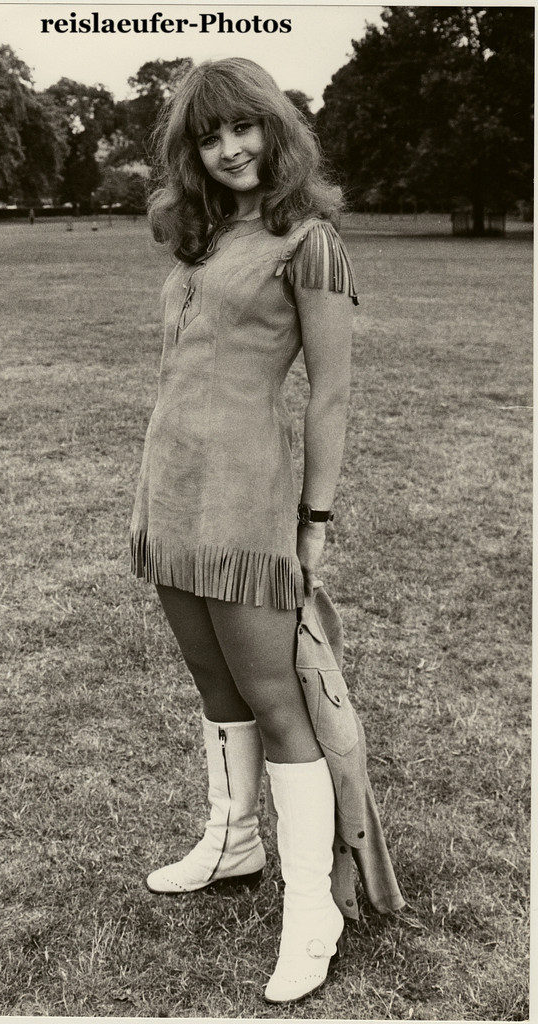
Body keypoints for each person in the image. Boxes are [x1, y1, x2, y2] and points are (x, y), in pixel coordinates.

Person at [130, 58, 358, 1004]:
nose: (230, 148)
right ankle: (232, 842)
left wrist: (314, 520)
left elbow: (332, 396)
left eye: (245, 128)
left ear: (277, 131)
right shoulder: (204, 236)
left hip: (247, 496)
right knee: (214, 683)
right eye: (210, 135)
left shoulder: (311, 241)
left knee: (276, 699)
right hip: (171, 490)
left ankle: (313, 908)